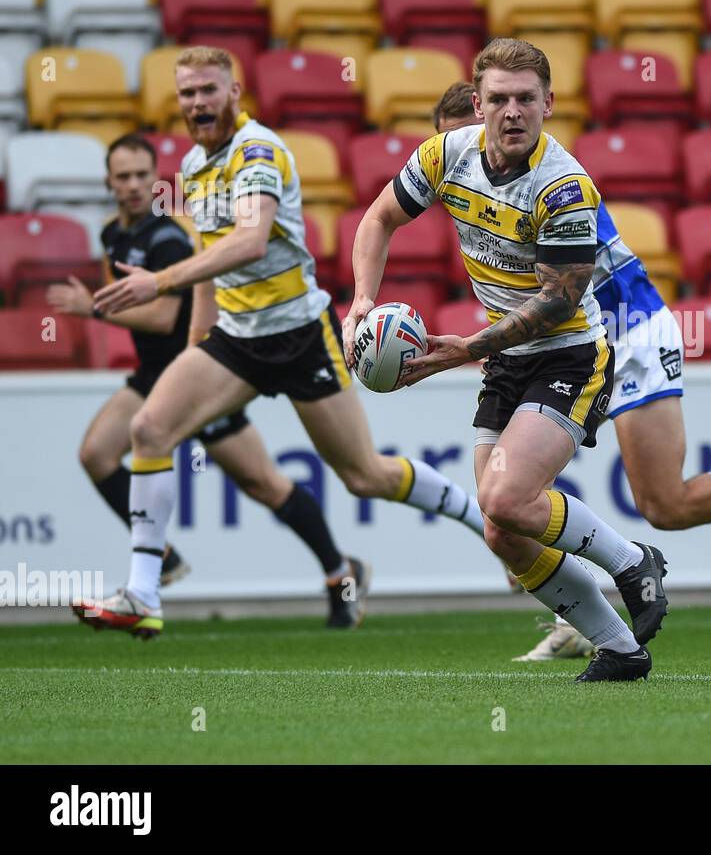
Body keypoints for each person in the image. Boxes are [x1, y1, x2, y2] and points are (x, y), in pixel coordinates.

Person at [432, 82, 711, 662]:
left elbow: (557, 292)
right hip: (545, 349)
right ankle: (584, 619)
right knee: (508, 511)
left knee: (665, 504)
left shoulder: (544, 175)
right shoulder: (468, 182)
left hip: (626, 330)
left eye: (464, 140)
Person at [73, 46, 484, 639]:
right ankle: (142, 591)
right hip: (236, 340)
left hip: (298, 334)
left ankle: (479, 521)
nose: (196, 103)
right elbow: (213, 266)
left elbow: (251, 240)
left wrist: (158, 282)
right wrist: (195, 348)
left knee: (364, 475)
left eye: (207, 90)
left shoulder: (258, 151)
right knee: (149, 430)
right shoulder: (191, 167)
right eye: (186, 93)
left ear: (233, 92)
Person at [345, 39, 670, 682]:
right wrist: (360, 299)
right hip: (505, 356)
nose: (512, 111)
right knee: (501, 530)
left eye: (526, 99)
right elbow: (379, 219)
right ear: (478, 101)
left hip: (570, 354)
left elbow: (559, 300)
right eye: (498, 99)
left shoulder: (565, 185)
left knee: (506, 496)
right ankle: (622, 649)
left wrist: (466, 349)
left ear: (549, 104)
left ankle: (633, 562)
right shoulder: (445, 155)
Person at [50, 134, 370, 627]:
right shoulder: (113, 234)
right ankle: (161, 563)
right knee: (96, 453)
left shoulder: (168, 240)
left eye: (142, 175)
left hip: (202, 374)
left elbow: (161, 317)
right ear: (108, 182)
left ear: (155, 178)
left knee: (264, 483)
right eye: (124, 176)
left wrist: (91, 308)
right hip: (156, 378)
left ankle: (341, 571)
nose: (134, 185)